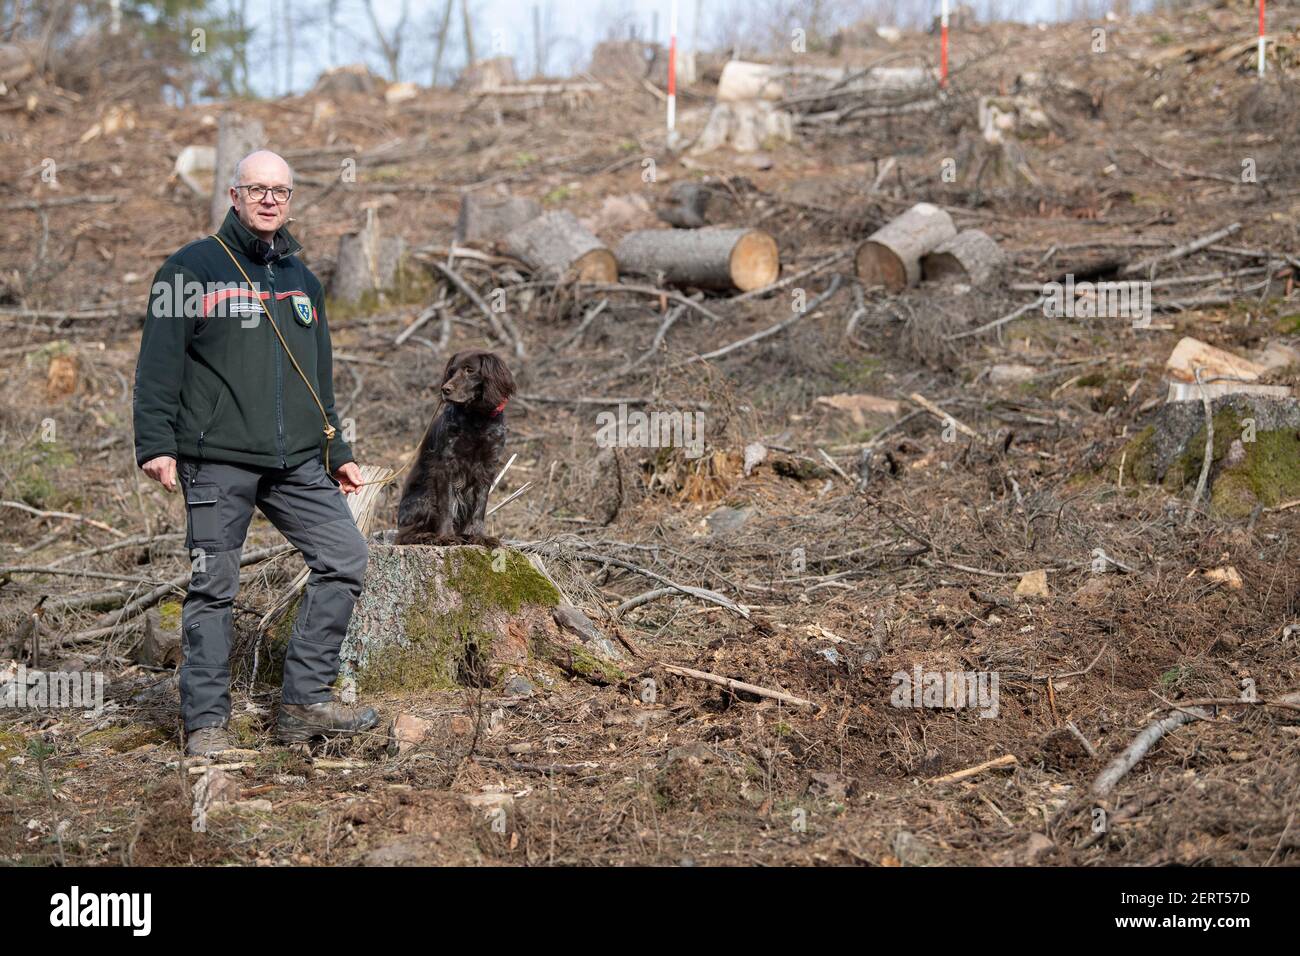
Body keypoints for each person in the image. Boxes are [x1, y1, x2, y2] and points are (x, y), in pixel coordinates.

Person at [133, 150, 379, 756]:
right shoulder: (190, 270)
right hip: (216, 456)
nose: (270, 200)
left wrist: (336, 450)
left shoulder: (303, 279)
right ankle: (208, 726)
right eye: (258, 189)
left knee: (345, 558)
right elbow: (158, 364)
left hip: (296, 459)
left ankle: (304, 703)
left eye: (281, 191)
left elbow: (318, 377)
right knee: (213, 587)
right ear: (235, 195)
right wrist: (156, 443)